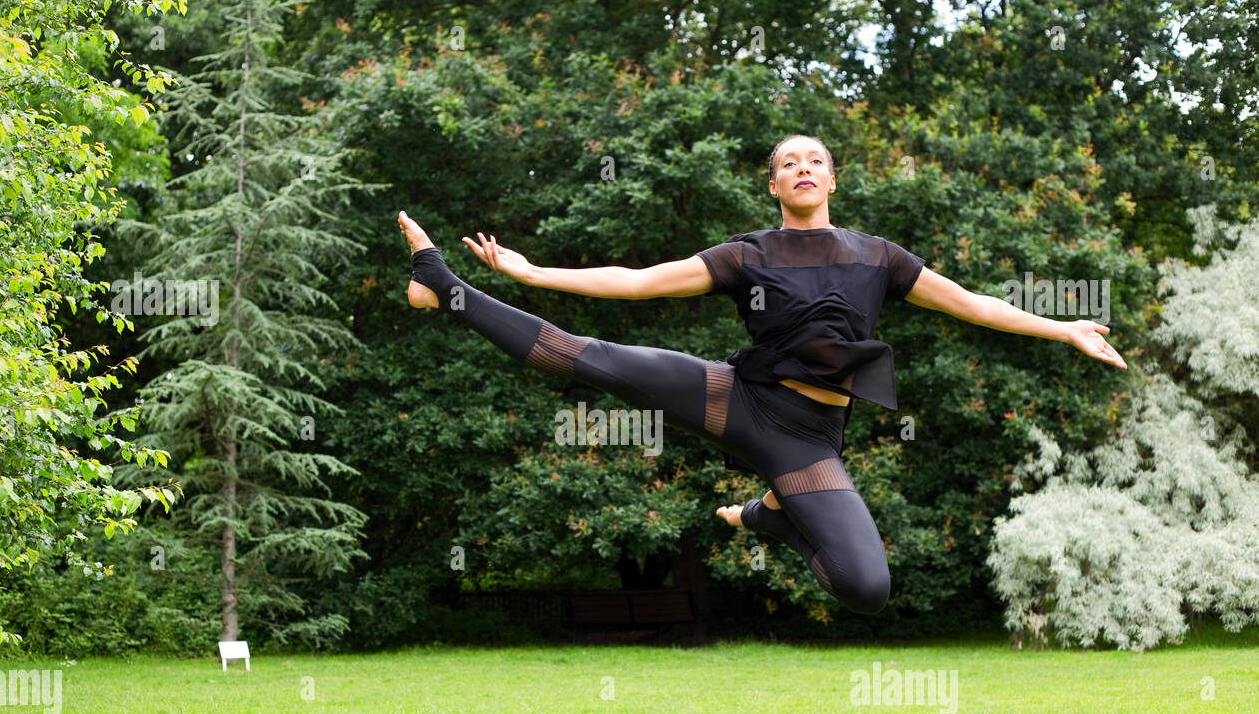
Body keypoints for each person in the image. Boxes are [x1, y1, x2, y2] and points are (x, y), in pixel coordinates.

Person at [399, 134, 1126, 614]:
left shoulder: (879, 256)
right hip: (737, 399)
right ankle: (444, 284)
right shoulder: (748, 253)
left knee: (866, 590)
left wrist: (1062, 328)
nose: (803, 169)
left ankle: (769, 516)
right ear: (773, 185)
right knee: (589, 358)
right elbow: (640, 281)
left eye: (815, 160)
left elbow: (974, 305)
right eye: (788, 163)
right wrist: (533, 270)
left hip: (806, 441)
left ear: (832, 177)